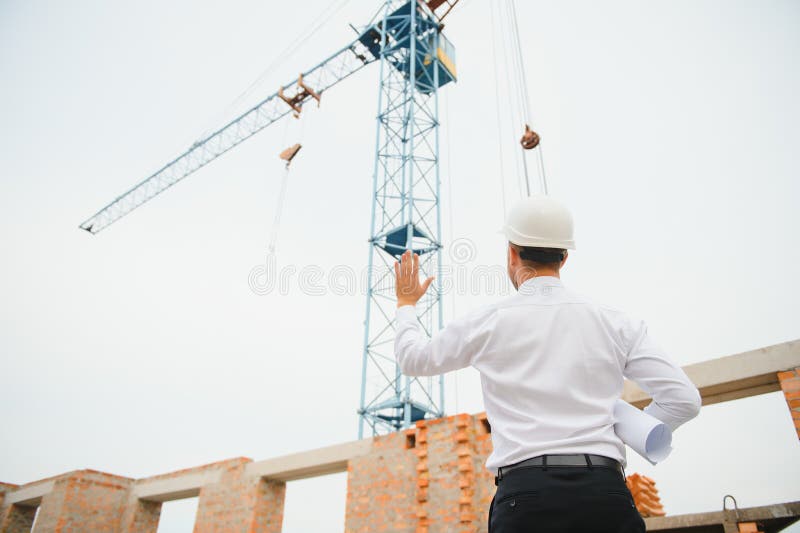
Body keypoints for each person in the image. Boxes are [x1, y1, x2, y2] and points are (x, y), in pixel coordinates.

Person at [393, 195, 701, 533]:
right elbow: (683, 399)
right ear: (564, 256)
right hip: (605, 493)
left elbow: (413, 359)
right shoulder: (615, 322)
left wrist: (406, 304)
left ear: (512, 252)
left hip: (525, 498)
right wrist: (623, 432)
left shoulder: (489, 321)